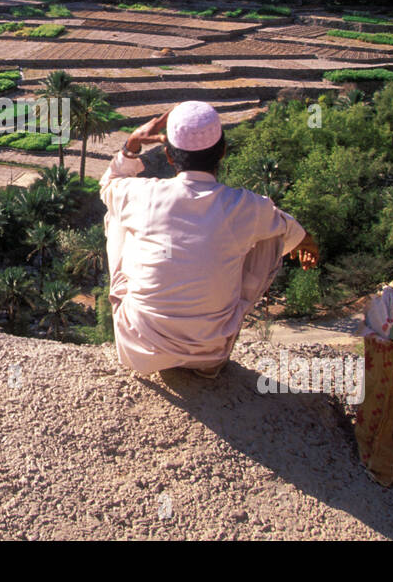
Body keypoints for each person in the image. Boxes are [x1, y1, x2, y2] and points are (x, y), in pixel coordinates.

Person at [99, 100, 319, 379]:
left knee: (117, 212)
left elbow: (108, 183)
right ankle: (207, 350)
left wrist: (131, 144)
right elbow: (291, 228)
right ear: (223, 152)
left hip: (140, 350)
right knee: (275, 228)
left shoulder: (142, 195)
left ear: (168, 156)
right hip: (212, 352)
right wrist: (305, 241)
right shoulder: (247, 207)